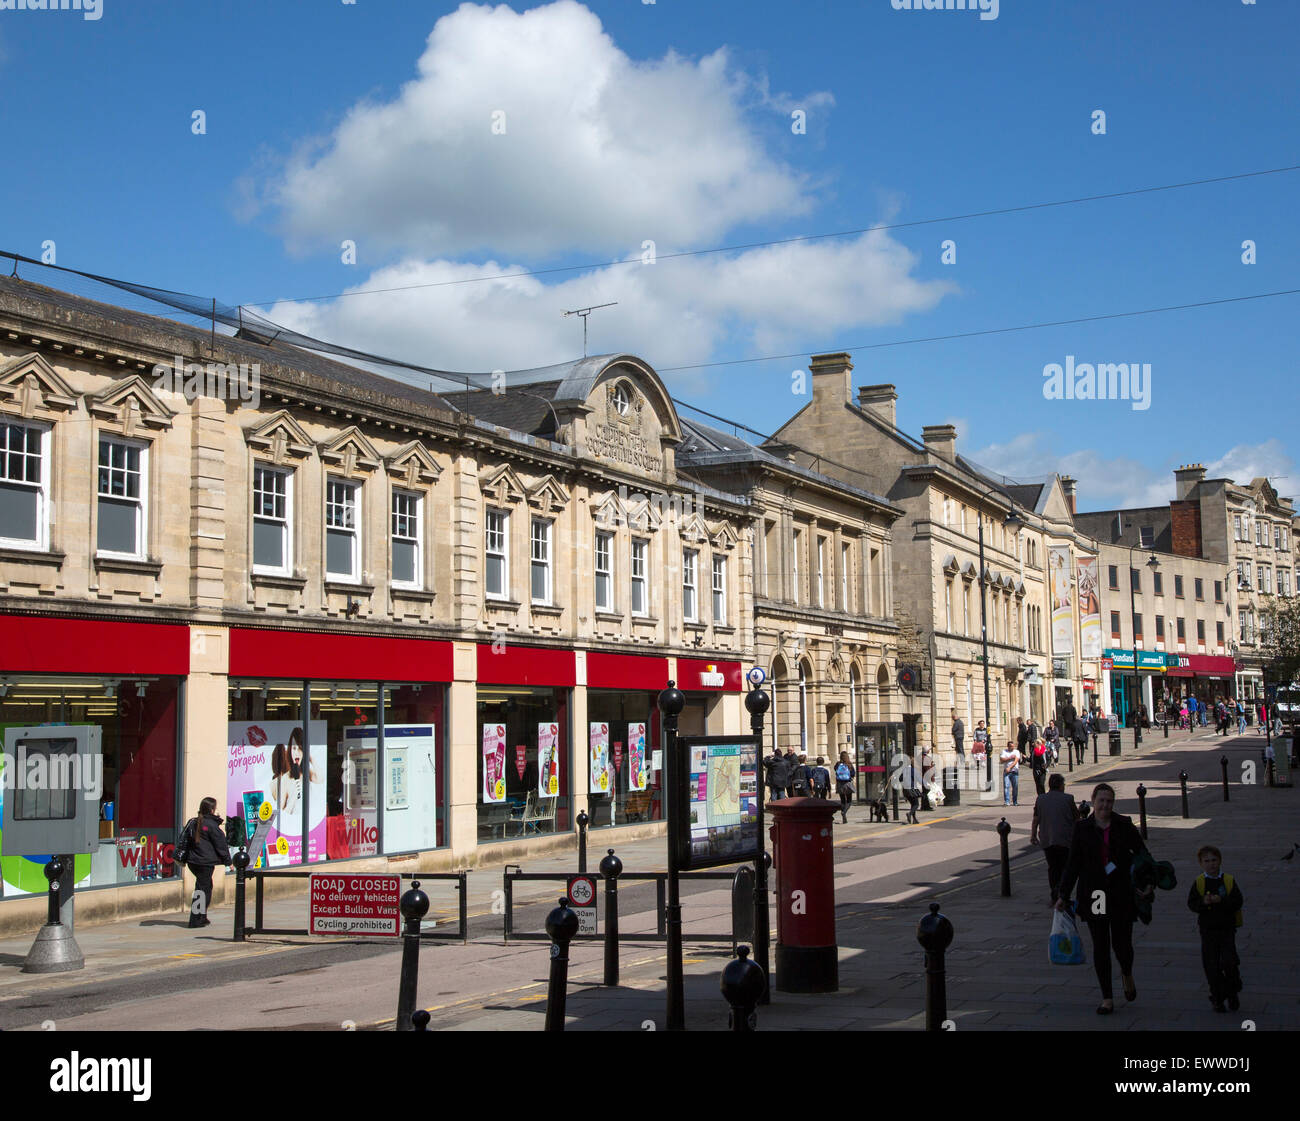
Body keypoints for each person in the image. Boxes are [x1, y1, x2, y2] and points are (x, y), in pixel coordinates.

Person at [1055, 783, 1154, 1014]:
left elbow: (1143, 855)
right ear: (1093, 801)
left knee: (1122, 945)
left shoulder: (1124, 825)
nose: (1105, 805)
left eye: (1109, 801)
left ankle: (1127, 972)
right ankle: (1107, 997)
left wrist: (1148, 882)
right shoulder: (1082, 828)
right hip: (1095, 893)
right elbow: (1073, 864)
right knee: (1100, 946)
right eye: (1101, 801)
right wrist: (1063, 893)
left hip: (1120, 891)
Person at [1187, 844, 1243, 1012]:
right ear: (1201, 863)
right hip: (1208, 929)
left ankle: (1232, 990)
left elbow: (1238, 901)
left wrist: (1222, 901)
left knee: (1230, 961)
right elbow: (1191, 903)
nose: (1211, 864)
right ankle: (1217, 997)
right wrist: (1203, 902)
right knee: (1211, 965)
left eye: (1214, 860)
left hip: (1227, 928)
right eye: (1207, 861)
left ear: (1220, 861)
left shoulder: (1228, 880)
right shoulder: (1199, 882)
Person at [182, 796, 231, 928]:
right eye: (215, 808)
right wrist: (229, 862)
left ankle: (201, 917)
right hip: (204, 862)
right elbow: (221, 845)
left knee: (204, 887)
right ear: (211, 809)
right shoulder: (210, 825)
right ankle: (196, 920)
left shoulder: (194, 822)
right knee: (203, 890)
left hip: (193, 861)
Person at [1030, 773, 1077, 903]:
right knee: (1064, 867)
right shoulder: (1068, 799)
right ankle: (1061, 892)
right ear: (1061, 786)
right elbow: (1077, 819)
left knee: (1053, 867)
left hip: (1047, 840)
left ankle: (1054, 892)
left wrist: (1033, 835)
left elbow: (1036, 820)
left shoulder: (1041, 799)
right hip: (1065, 840)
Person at [896, 754, 921, 824]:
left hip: (905, 790)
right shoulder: (912, 770)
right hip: (912, 790)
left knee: (913, 804)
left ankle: (914, 819)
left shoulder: (904, 770)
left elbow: (900, 779)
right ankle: (909, 814)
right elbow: (918, 779)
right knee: (916, 804)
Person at [834, 751, 854, 824]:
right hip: (847, 784)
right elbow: (853, 773)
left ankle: (843, 815)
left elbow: (835, 770)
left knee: (842, 800)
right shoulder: (849, 764)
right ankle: (844, 812)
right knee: (849, 801)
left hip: (840, 784)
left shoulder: (838, 764)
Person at [1000, 741, 1021, 807]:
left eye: (1013, 746)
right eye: (1011, 746)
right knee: (1006, 786)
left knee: (1015, 787)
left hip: (1014, 771)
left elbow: (1016, 761)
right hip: (1006, 772)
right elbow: (1001, 760)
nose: (1012, 747)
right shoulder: (1004, 751)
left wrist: (1009, 767)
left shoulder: (1016, 752)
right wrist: (1009, 758)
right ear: (1008, 746)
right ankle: (1007, 801)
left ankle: (1015, 801)